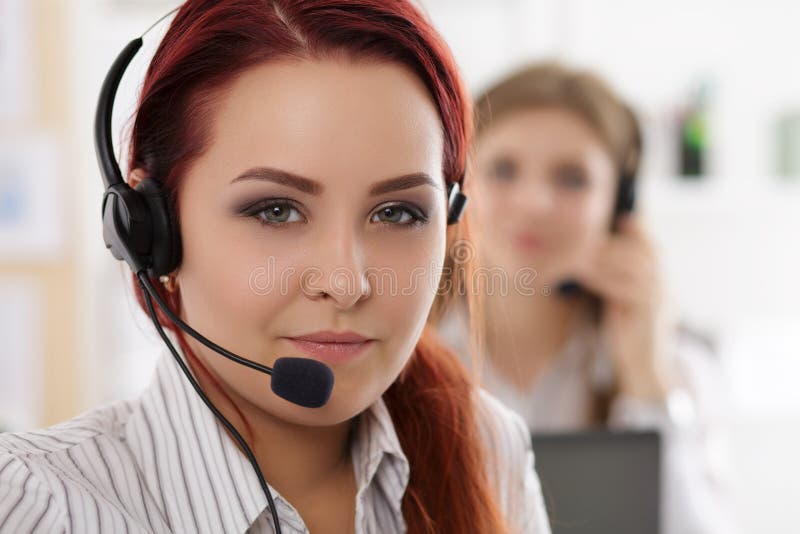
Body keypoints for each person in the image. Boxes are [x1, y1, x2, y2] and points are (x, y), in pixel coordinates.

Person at [0, 2, 551, 533]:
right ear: (151, 231)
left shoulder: (487, 449)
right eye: (277, 210)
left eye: (396, 213)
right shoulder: (38, 507)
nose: (345, 283)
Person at [435, 62, 736, 534]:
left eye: (572, 178)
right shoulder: (409, 352)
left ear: (619, 204)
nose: (535, 203)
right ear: (459, 187)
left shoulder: (680, 371)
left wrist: (646, 382)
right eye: (503, 170)